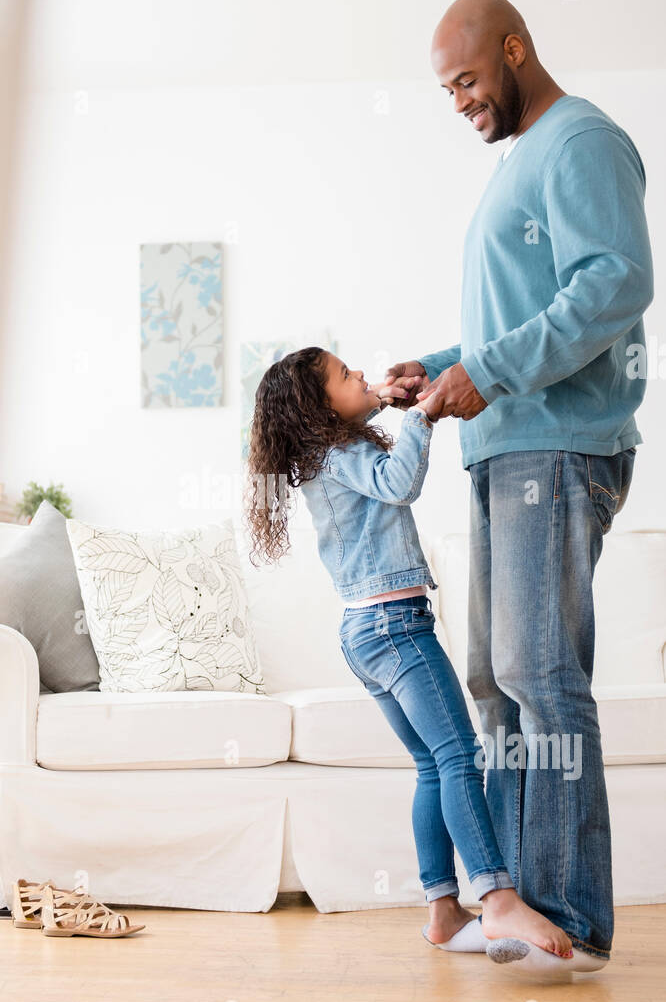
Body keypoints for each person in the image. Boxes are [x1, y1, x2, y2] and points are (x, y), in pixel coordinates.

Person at [384, 0, 654, 973]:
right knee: (494, 683)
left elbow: (614, 282)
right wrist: (440, 364)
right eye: (443, 89)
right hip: (502, 445)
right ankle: (510, 904)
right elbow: (522, 317)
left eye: (463, 78)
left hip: (552, 446)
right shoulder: (519, 164)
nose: (456, 100)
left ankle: (569, 917)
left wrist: (485, 375)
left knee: (541, 677)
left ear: (513, 50)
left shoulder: (579, 139)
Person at [243, 344, 575, 962]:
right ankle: (498, 901)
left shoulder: (326, 455)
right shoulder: (339, 452)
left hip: (365, 632)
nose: (363, 374)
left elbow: (378, 476)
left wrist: (403, 407)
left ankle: (444, 912)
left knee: (432, 765)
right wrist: (423, 419)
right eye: (346, 375)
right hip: (394, 626)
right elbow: (398, 485)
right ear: (319, 406)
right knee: (458, 756)